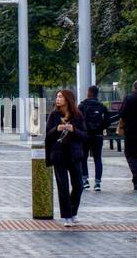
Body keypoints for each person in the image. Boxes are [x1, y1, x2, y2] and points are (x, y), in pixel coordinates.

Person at [45, 89, 87, 227]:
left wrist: (73, 130)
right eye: (57, 97)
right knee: (62, 186)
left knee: (78, 185)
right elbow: (48, 135)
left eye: (60, 97)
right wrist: (57, 128)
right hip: (59, 155)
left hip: (74, 154)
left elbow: (85, 136)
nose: (58, 99)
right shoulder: (53, 115)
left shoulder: (77, 115)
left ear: (68, 99)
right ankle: (67, 216)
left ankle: (73, 212)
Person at [77, 86, 109, 191]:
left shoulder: (82, 106)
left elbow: (77, 120)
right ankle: (97, 183)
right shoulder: (102, 106)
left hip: (85, 135)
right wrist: (100, 128)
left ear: (89, 93)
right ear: (97, 94)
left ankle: (85, 180)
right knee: (97, 159)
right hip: (97, 136)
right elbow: (107, 121)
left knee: (83, 158)